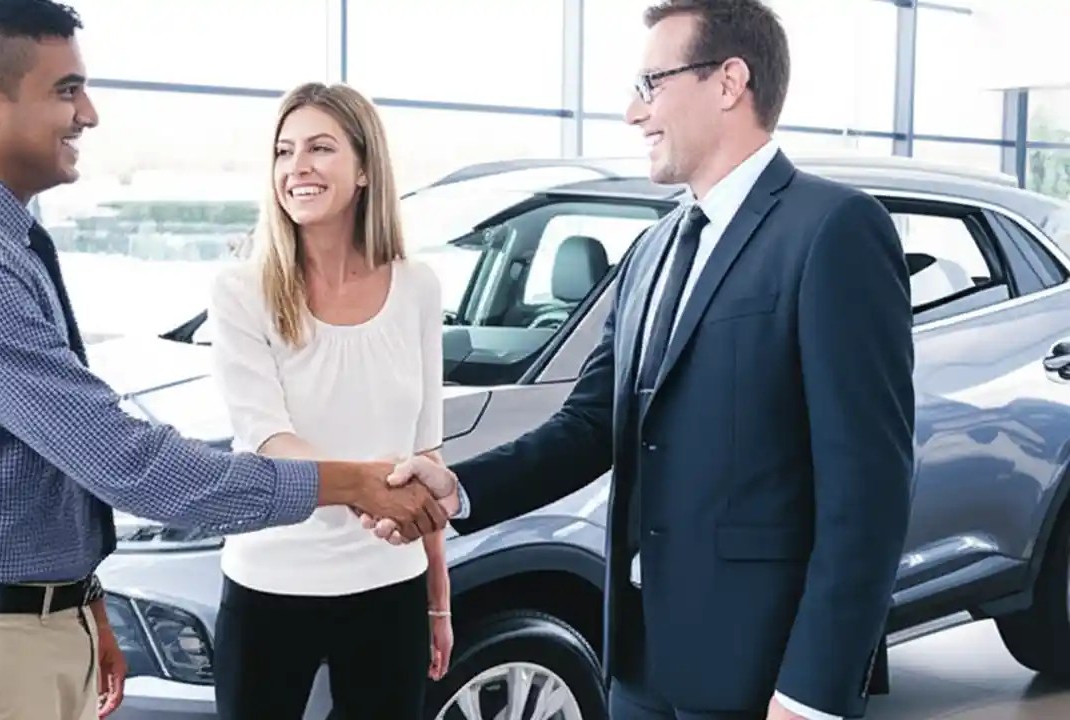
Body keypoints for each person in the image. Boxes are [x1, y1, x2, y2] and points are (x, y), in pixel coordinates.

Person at [0, 3, 453, 720]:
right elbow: (128, 462)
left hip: (14, 627)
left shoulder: (0, 244)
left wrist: (80, 602)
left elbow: (47, 460)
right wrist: (358, 483)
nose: (91, 114)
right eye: (67, 90)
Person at [375, 1, 915, 718]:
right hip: (638, 664)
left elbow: (869, 494)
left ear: (729, 82)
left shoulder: (834, 231)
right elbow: (590, 425)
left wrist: (810, 694)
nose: (634, 113)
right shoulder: (654, 251)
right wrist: (458, 490)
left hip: (760, 674)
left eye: (650, 84)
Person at [206, 81, 453, 720]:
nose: (298, 168)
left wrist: (437, 597)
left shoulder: (418, 288)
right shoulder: (241, 290)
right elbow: (268, 438)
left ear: (365, 167)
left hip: (388, 587)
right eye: (284, 152)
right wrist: (367, 489)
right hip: (270, 584)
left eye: (320, 148)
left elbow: (426, 450)